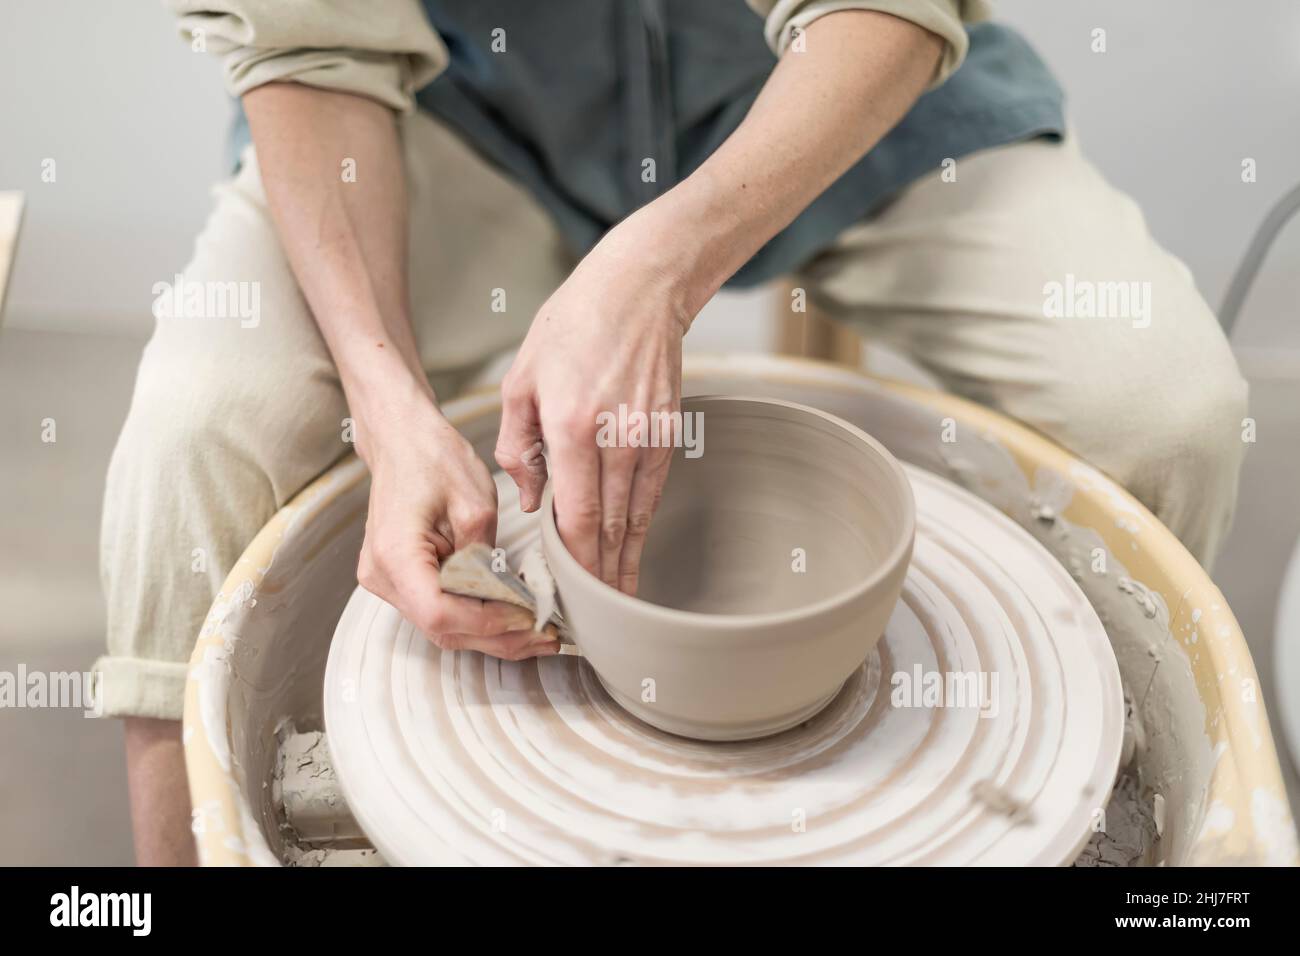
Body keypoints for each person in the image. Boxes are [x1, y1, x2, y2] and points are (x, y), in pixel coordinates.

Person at [100, 0, 1247, 864]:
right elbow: (316, 45)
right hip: (457, 101)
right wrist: (385, 399)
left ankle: (1104, 828)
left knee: (1159, 404)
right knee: (207, 424)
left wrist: (661, 266)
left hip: (816, 79)